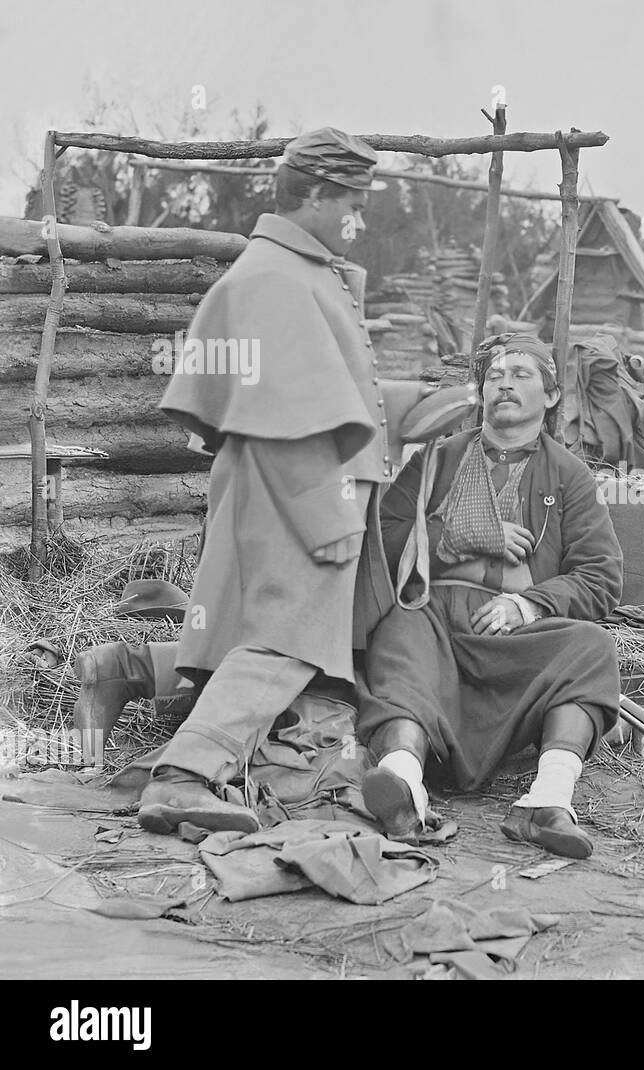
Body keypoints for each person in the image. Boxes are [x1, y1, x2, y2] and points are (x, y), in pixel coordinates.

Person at [136, 127, 400, 835]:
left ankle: (193, 750)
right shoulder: (279, 279)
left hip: (281, 486)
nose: (361, 222)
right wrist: (331, 514)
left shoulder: (285, 269)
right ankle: (185, 775)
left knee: (262, 635)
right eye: (355, 204)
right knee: (286, 641)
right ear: (316, 197)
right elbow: (289, 421)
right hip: (298, 491)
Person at [357, 332, 623, 859]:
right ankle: (404, 779)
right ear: (480, 392)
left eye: (521, 374)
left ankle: (547, 800)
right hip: (431, 621)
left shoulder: (569, 476)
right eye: (494, 376)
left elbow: (601, 576)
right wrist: (458, 534)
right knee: (397, 631)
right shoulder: (435, 460)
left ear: (550, 398)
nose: (505, 383)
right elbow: (383, 542)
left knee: (591, 647)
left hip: (512, 640)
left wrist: (528, 605)